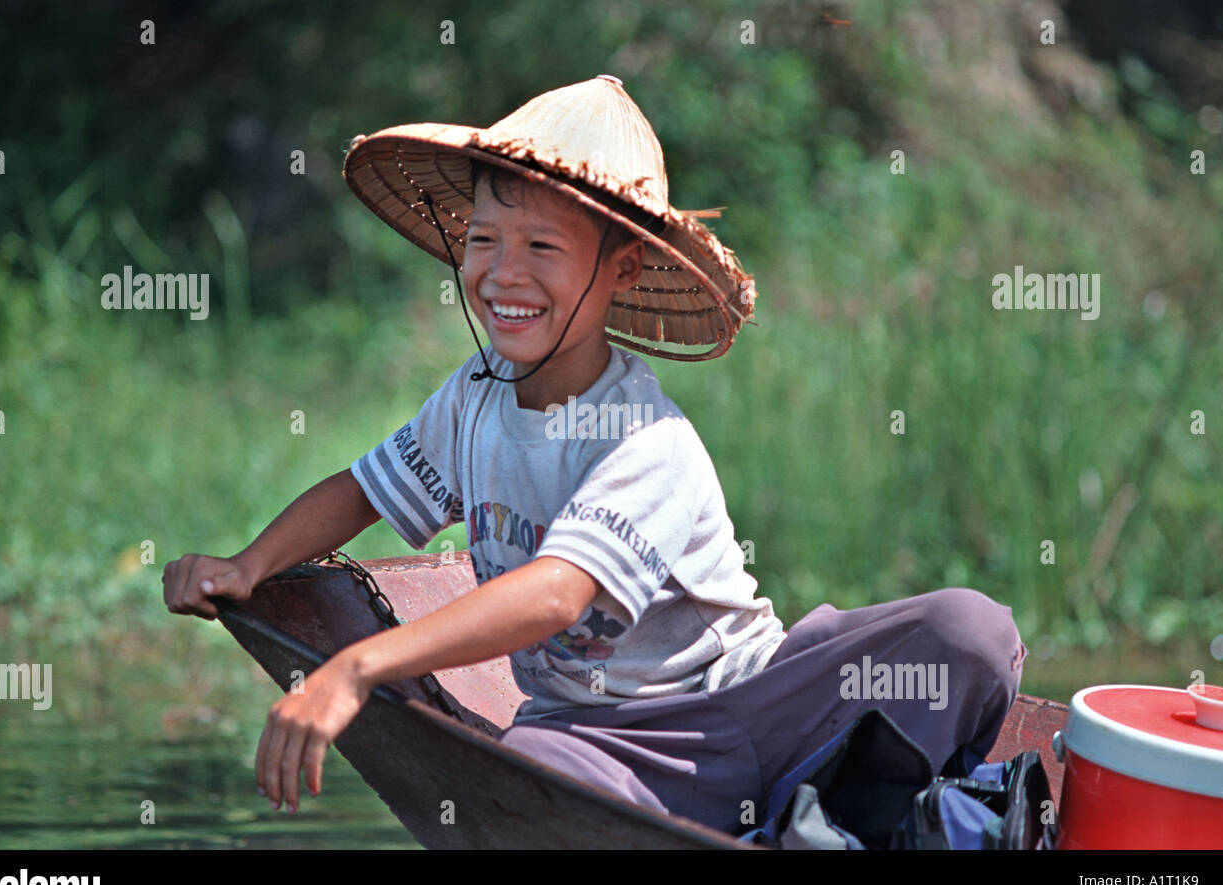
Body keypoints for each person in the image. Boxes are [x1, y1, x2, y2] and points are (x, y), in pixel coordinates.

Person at [162, 75, 1026, 835]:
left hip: (753, 699)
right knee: (532, 780)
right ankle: (797, 821)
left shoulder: (644, 435)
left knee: (970, 632)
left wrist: (357, 664)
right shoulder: (474, 396)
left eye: (543, 247)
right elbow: (363, 490)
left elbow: (557, 592)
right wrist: (249, 564)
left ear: (622, 269)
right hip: (600, 741)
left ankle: (834, 802)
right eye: (486, 239)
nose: (504, 273)